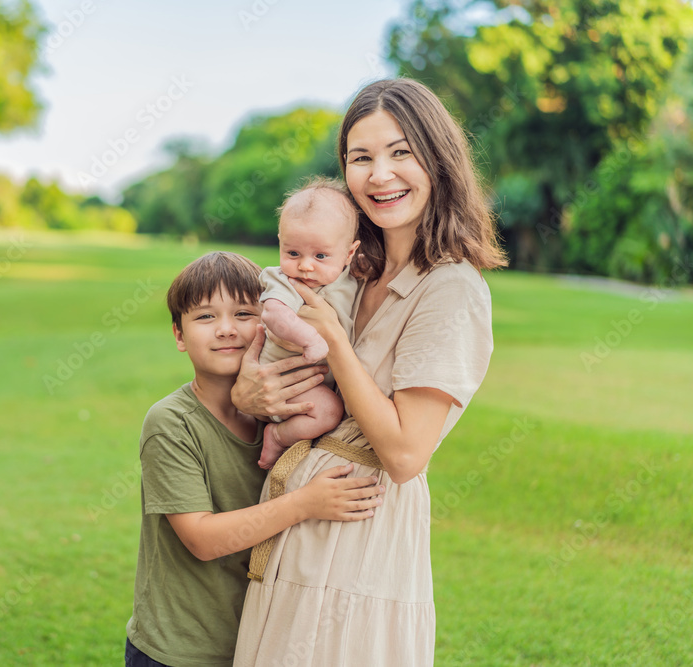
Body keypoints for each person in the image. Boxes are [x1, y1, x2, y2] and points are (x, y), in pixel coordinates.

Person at [232, 78, 507, 666]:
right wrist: (253, 393)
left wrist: (332, 341)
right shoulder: (350, 271)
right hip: (300, 518)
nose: (380, 174)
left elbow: (406, 455)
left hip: (364, 530)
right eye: (362, 158)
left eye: (401, 152)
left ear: (438, 160)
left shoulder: (451, 288)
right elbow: (272, 361)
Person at [125, 251, 384, 667]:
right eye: (205, 317)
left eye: (244, 313)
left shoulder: (291, 416)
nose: (226, 330)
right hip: (180, 649)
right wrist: (306, 503)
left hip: (262, 642)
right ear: (178, 334)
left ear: (269, 319)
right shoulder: (171, 423)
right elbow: (203, 540)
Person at [256, 177, 361, 469]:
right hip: (285, 380)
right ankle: (277, 436)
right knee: (328, 411)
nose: (305, 265)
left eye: (320, 255)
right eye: (293, 253)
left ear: (349, 254)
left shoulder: (349, 277)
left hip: (315, 377)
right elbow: (274, 315)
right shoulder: (284, 280)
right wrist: (309, 339)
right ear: (281, 243)